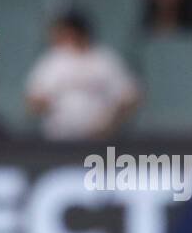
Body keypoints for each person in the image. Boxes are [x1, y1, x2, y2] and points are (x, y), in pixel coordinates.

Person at [24, 12, 140, 140]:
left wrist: (111, 122)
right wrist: (56, 111)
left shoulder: (105, 59)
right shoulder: (53, 60)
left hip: (100, 141)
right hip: (59, 141)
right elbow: (33, 100)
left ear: (74, 31)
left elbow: (130, 98)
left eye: (60, 31)